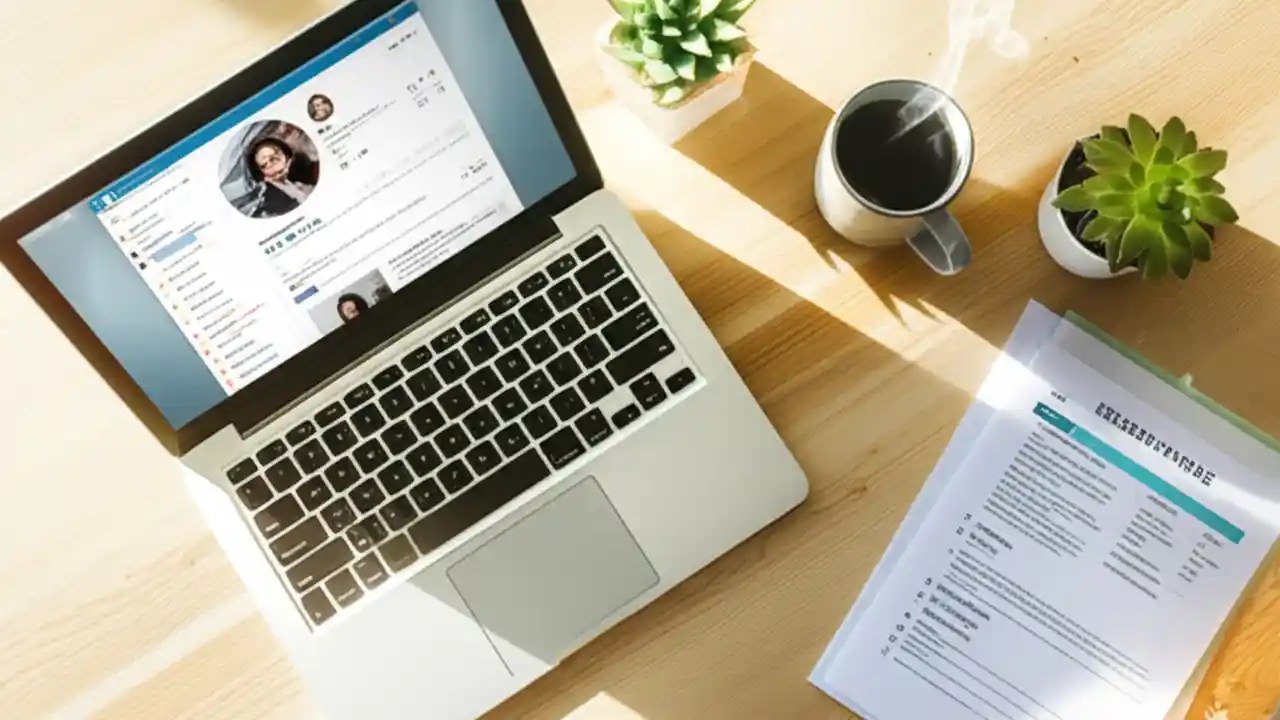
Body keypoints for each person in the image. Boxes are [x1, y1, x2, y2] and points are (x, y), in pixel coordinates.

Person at [244, 137, 317, 218]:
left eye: (276, 154)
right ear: (262, 174)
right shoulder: (272, 202)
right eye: (265, 164)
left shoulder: (296, 179)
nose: (273, 164)